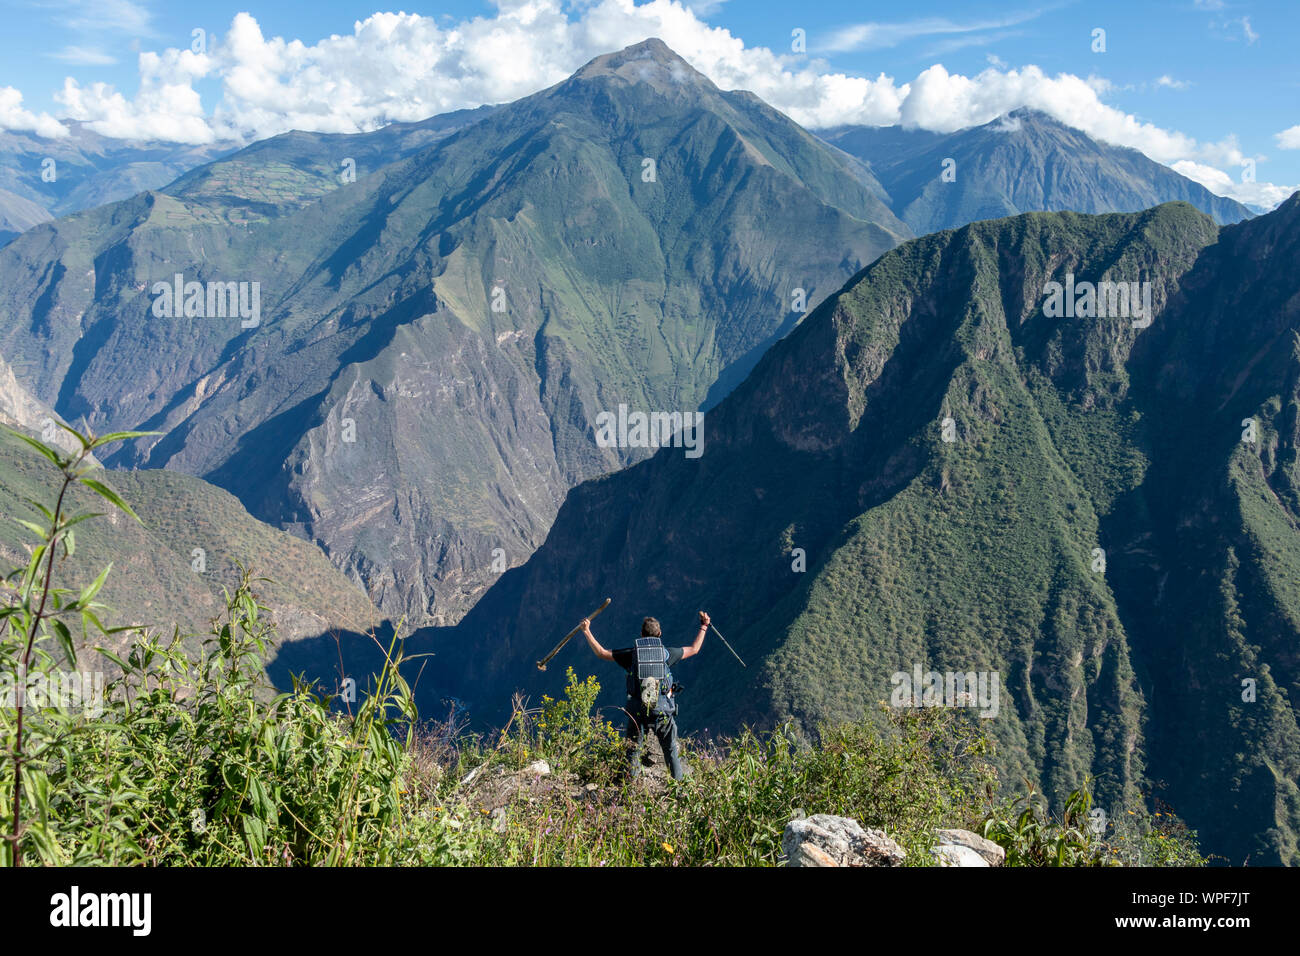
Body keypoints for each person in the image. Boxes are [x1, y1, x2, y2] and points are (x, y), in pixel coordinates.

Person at [581, 611, 710, 780]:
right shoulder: (667, 654)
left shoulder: (631, 655)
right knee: (670, 749)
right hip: (662, 711)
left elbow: (601, 653)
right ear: (659, 634)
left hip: (638, 712)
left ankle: (628, 788)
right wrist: (704, 626)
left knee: (633, 750)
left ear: (641, 635)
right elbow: (695, 649)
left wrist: (586, 630)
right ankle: (679, 788)